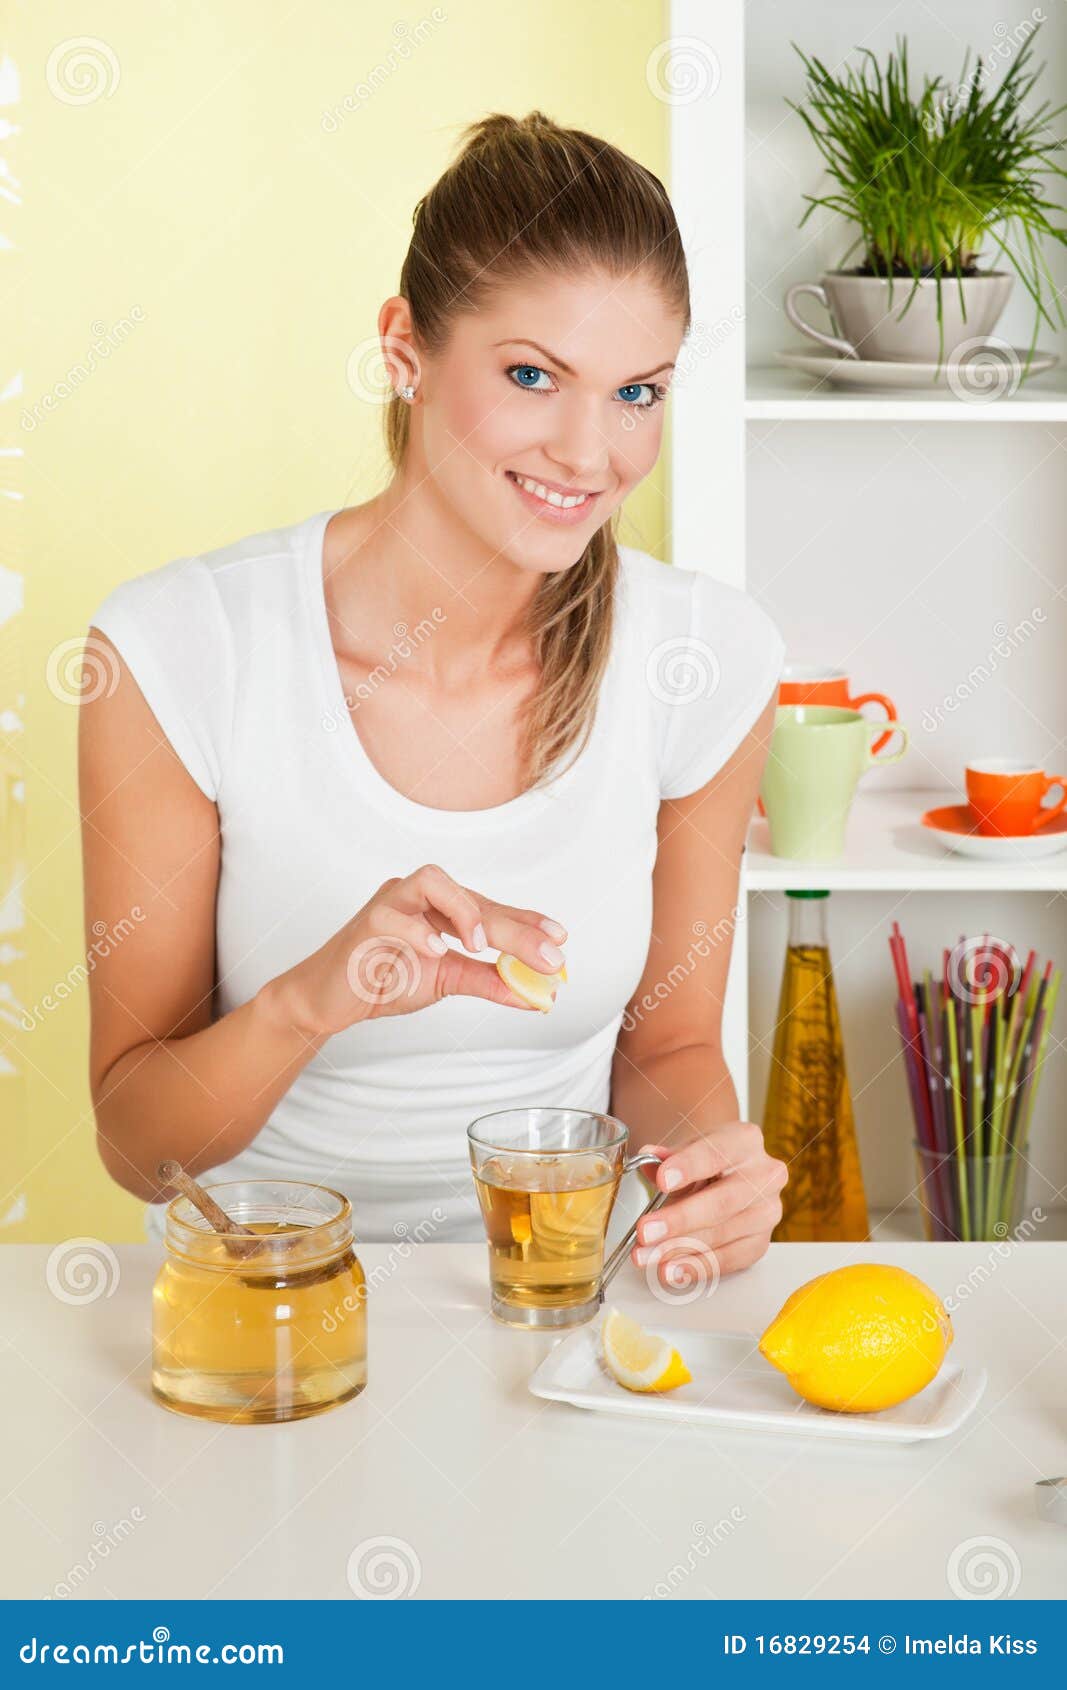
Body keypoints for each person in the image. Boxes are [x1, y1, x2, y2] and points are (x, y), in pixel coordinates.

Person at [79, 110, 787, 1286]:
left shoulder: (703, 656)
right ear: (403, 347)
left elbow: (665, 1048)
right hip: (261, 1315)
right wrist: (313, 999)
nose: (589, 453)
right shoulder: (178, 648)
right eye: (530, 376)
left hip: (557, 1304)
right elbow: (138, 1149)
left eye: (636, 392)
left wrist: (701, 1175)